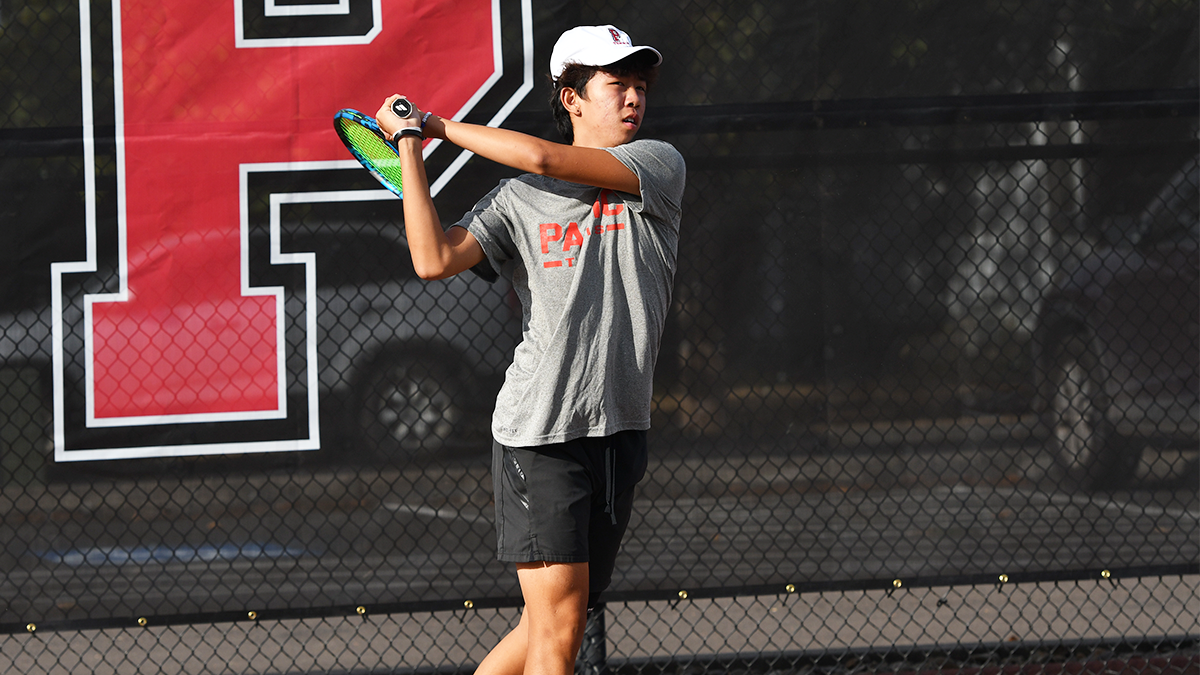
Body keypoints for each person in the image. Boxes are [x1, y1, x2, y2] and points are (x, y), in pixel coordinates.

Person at [375, 24, 685, 675]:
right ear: (571, 97)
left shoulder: (657, 165)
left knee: (549, 622)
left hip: (620, 430)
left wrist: (431, 122)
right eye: (614, 84)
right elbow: (433, 258)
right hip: (540, 433)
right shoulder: (517, 201)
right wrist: (411, 145)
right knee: (560, 627)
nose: (633, 98)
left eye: (639, 85)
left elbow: (547, 159)